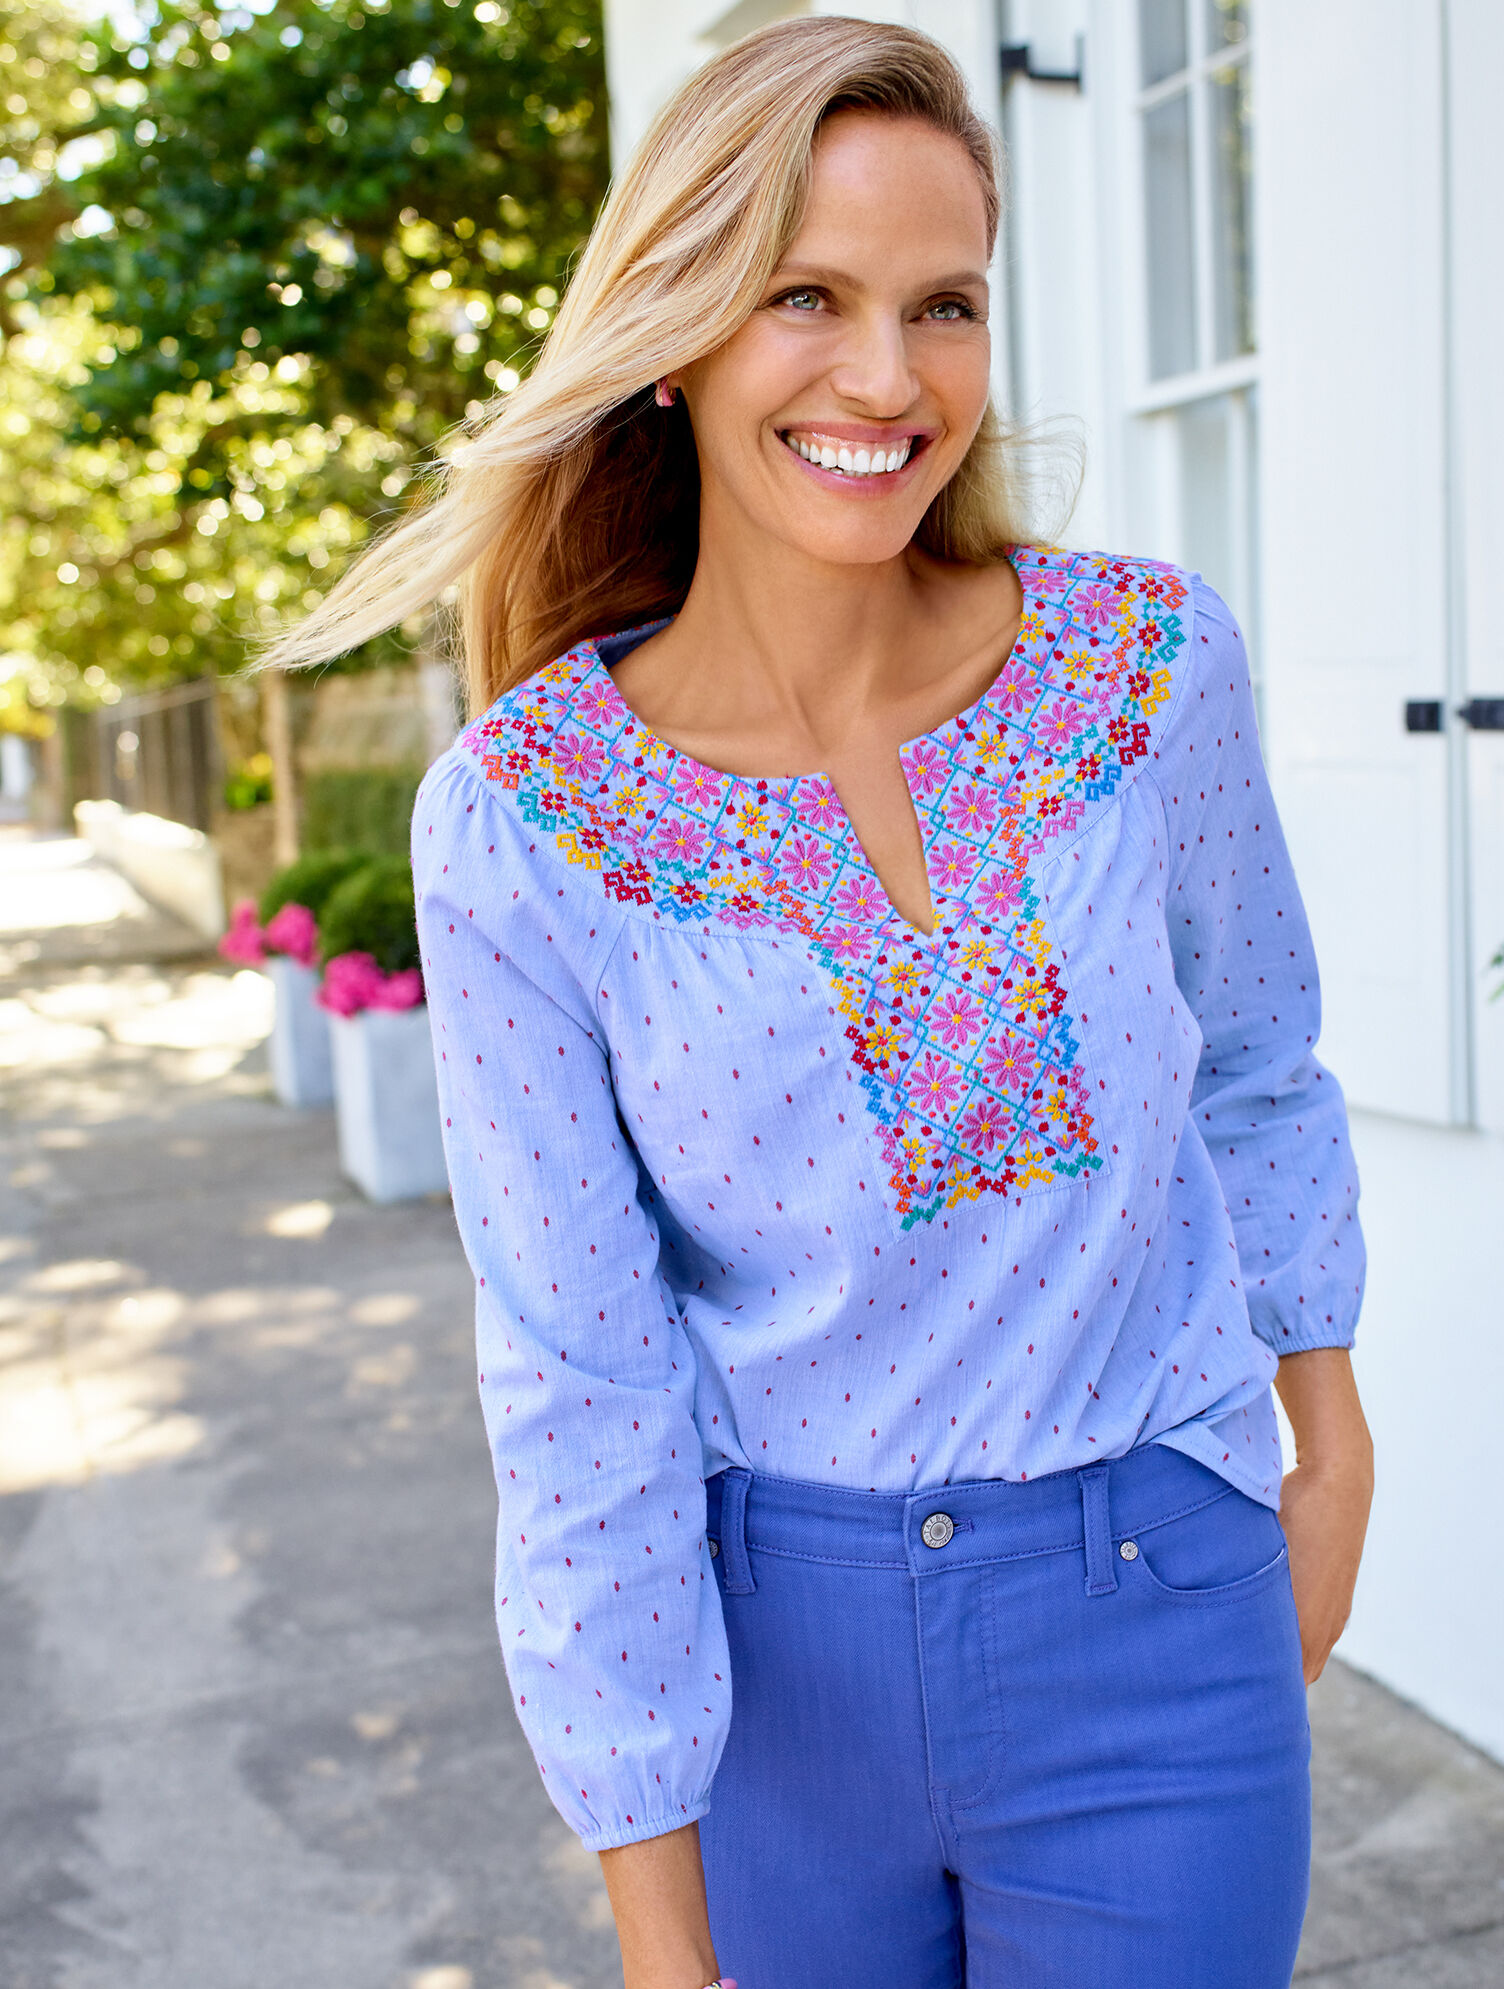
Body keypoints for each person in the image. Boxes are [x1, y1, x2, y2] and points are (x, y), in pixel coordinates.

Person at [271, 18, 1374, 1987]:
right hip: (772, 1674)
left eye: (939, 304)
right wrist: (653, 1918)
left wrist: (1328, 1426)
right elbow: (574, 1376)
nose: (884, 377)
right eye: (804, 296)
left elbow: (1259, 1060)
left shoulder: (1142, 670)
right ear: (680, 324)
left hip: (1156, 1603)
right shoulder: (524, 827)